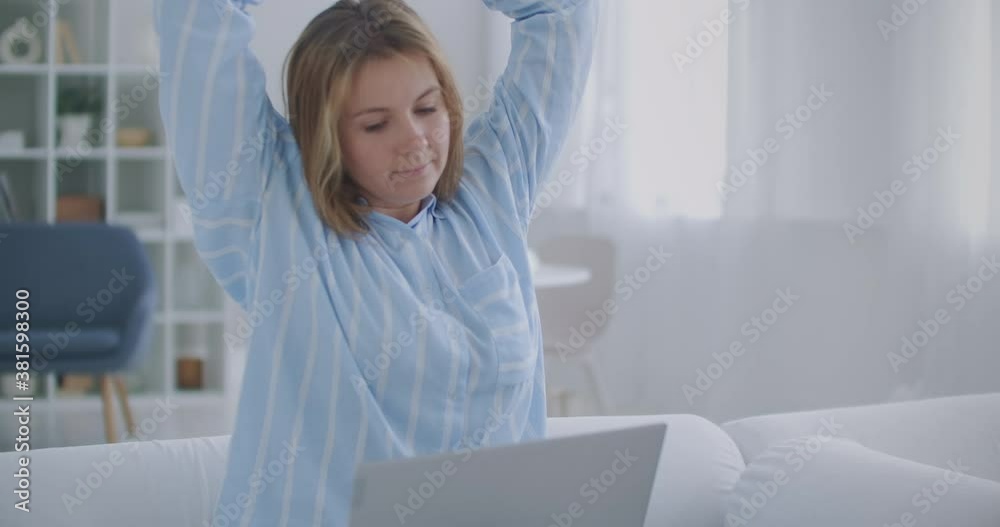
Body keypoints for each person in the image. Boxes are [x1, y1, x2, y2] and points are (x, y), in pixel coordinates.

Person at [156, 0, 597, 524]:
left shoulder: (491, 188)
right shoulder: (270, 212)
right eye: (375, 125)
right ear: (327, 139)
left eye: (428, 108)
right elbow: (197, 19)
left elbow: (564, 15)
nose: (414, 138)